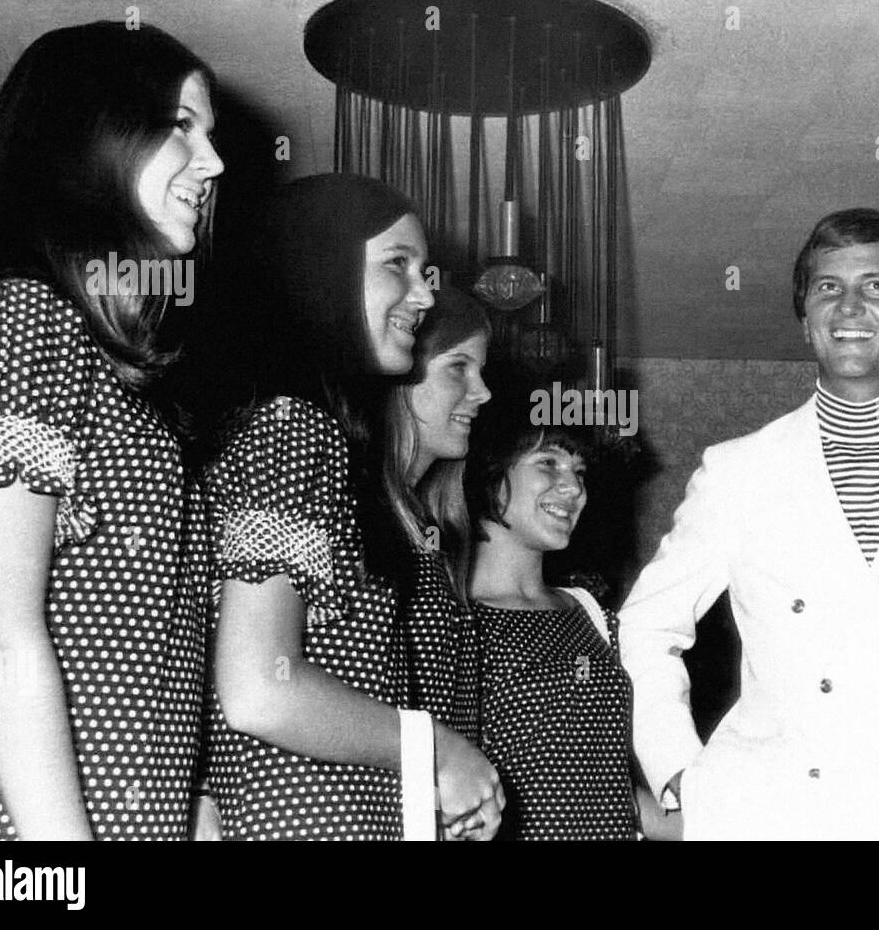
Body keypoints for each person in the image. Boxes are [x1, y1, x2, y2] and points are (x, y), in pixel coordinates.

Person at [0, 21, 222, 840]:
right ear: (95, 134)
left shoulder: (103, 366)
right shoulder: (26, 317)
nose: (215, 163)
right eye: (183, 127)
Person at [619, 208, 879, 840]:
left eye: (876, 286)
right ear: (805, 321)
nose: (849, 306)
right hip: (776, 815)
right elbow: (647, 623)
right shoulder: (737, 470)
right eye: (827, 288)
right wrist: (677, 770)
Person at [200, 177, 502, 840]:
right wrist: (437, 751)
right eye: (397, 265)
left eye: (425, 272)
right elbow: (258, 690)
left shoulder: (305, 435)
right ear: (316, 271)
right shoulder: (294, 428)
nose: (424, 293)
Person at [464, 393, 642, 840]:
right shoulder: (450, 618)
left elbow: (611, 790)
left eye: (579, 472)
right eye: (548, 464)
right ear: (490, 470)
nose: (574, 488)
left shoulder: (591, 612)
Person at [357, 286, 495, 828]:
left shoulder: (435, 537)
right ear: (401, 380)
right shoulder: (353, 512)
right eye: (458, 367)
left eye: (480, 371)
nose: (481, 392)